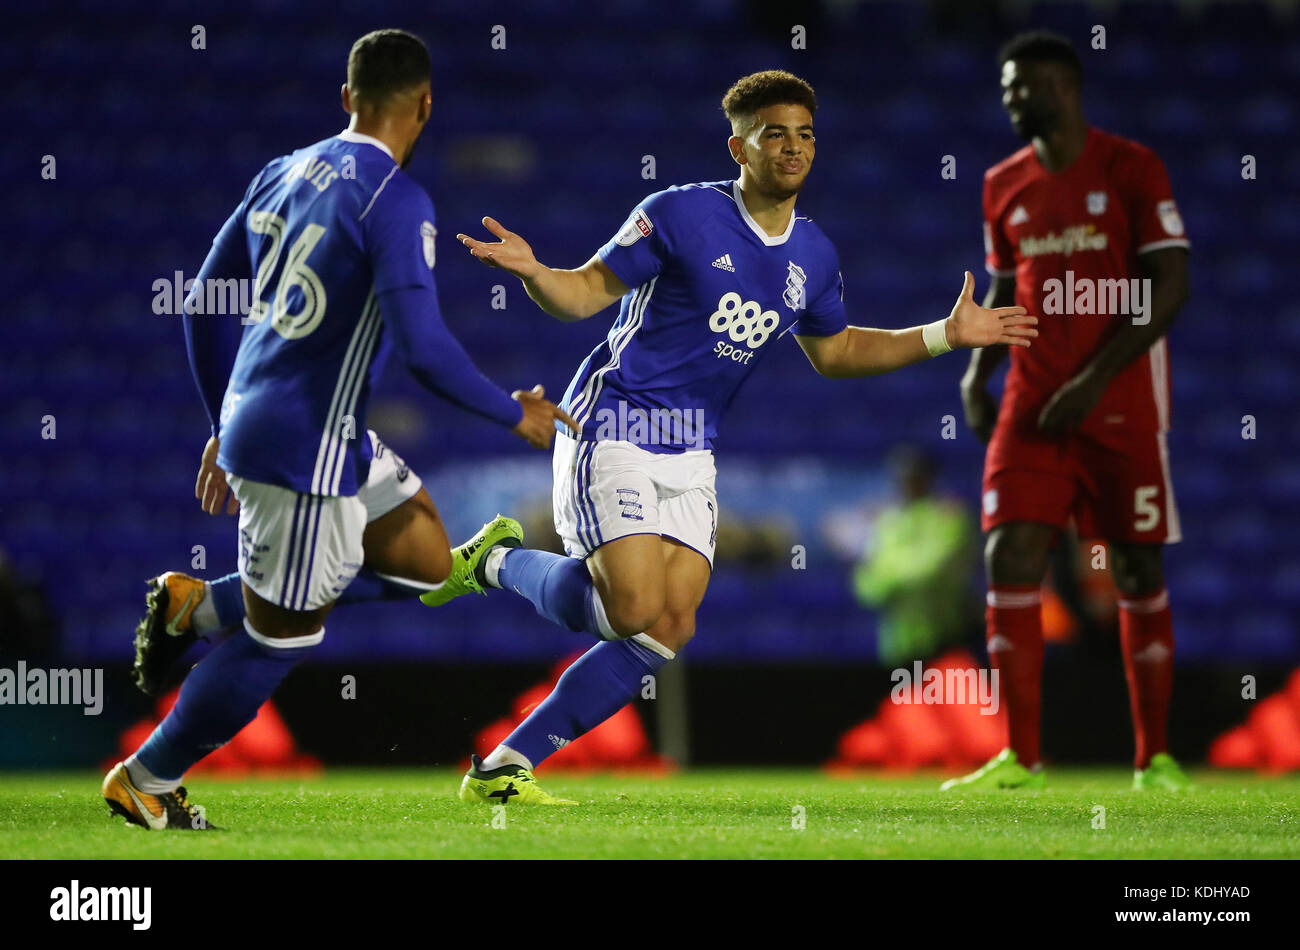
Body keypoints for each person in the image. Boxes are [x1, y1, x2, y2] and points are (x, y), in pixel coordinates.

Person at [423, 69, 1037, 805]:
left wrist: (944, 334)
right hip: (614, 422)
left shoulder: (815, 255)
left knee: (668, 626)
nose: (793, 146)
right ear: (738, 147)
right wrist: (534, 272)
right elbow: (585, 292)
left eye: (805, 133)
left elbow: (836, 352)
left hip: (691, 446)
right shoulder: (678, 214)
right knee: (628, 608)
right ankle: (495, 562)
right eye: (773, 132)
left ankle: (504, 766)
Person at [103, 29, 573, 829]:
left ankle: (199, 607)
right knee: (283, 638)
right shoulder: (397, 199)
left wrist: (224, 417)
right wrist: (513, 411)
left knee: (428, 563)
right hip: (302, 451)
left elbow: (203, 299)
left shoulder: (282, 171)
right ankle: (146, 777)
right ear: (425, 105)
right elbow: (423, 348)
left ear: (347, 98)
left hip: (325, 429)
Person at [945, 31, 1191, 792]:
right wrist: (977, 375)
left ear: (1066, 85)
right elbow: (1006, 286)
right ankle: (1022, 756)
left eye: (1025, 85)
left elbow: (1170, 284)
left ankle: (1153, 759)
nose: (1012, 98)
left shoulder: (1131, 168)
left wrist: (1092, 380)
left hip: (1119, 405)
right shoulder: (1001, 184)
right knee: (1007, 559)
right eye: (1007, 87)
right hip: (1029, 405)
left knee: (1134, 567)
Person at [853, 448, 977, 667]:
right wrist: (891, 575)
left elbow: (932, 570)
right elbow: (867, 586)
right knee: (903, 702)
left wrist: (889, 573)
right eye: (903, 478)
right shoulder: (888, 520)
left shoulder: (950, 516)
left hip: (945, 635)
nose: (908, 483)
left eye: (914, 476)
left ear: (929, 477)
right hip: (896, 643)